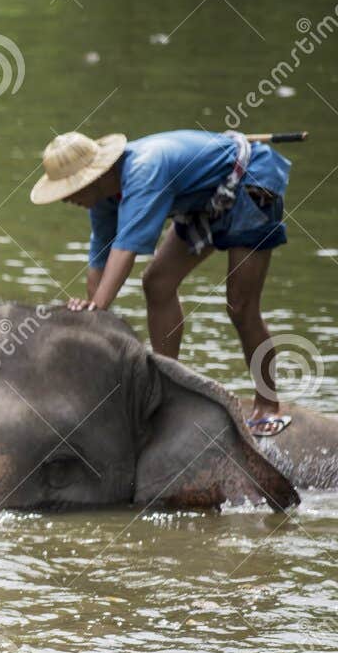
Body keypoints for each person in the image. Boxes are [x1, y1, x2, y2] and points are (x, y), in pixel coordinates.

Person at [31, 129, 294, 435]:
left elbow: (125, 250)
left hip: (249, 181)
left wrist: (98, 307)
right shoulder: (103, 198)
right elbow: (101, 258)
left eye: (70, 190)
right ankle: (169, 387)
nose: (66, 199)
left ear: (94, 177)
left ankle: (267, 404)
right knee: (157, 283)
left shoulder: (144, 171)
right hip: (201, 201)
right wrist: (92, 312)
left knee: (240, 305)